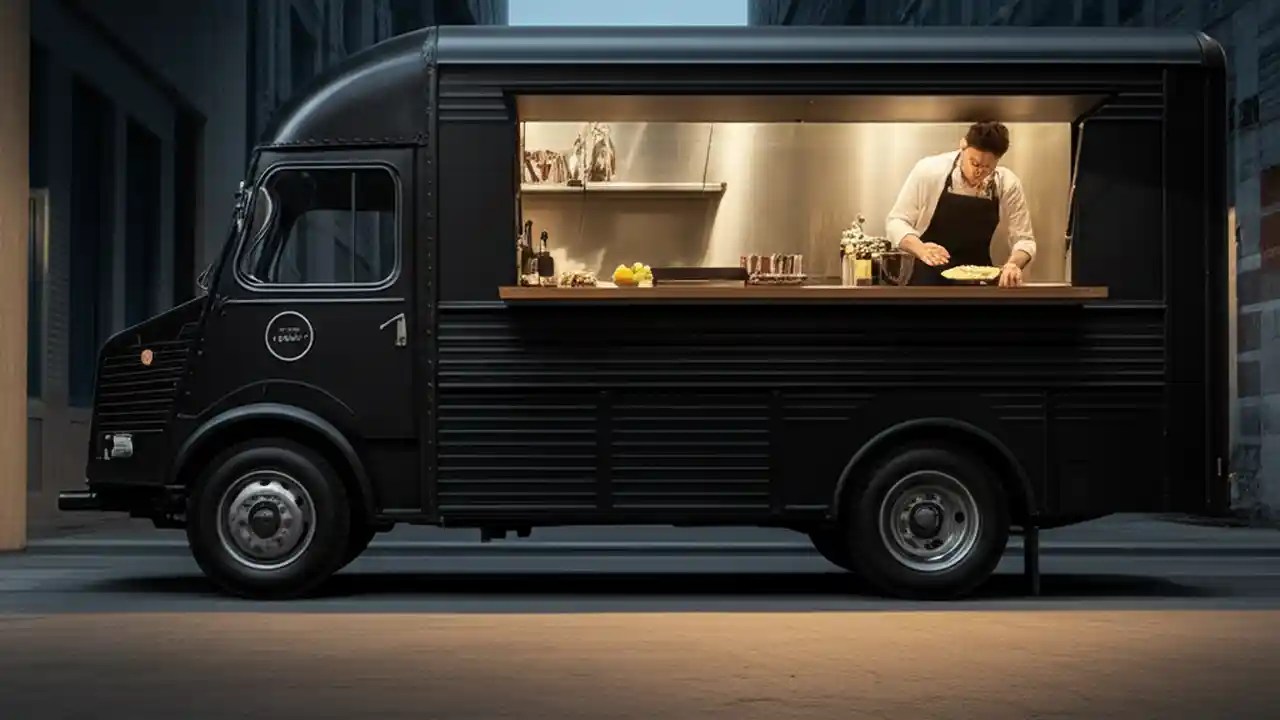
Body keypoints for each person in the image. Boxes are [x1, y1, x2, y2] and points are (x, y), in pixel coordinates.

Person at [885, 121, 1036, 287]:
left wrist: (1013, 264)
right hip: (927, 278)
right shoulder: (930, 170)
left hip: (977, 280)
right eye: (974, 163)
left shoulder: (1007, 183)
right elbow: (896, 221)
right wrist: (920, 248)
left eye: (987, 167)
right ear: (963, 145)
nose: (978, 172)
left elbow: (1024, 240)